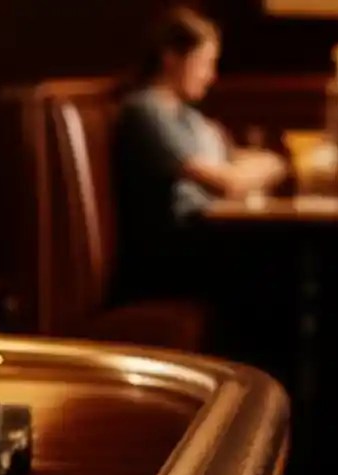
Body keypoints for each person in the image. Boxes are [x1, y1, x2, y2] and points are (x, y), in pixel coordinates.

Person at [112, 6, 284, 301]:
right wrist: (255, 170)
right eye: (203, 63)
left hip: (207, 239)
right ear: (171, 57)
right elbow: (228, 182)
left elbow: (255, 162)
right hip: (172, 255)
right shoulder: (146, 111)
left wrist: (263, 165)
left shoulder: (190, 118)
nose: (211, 76)